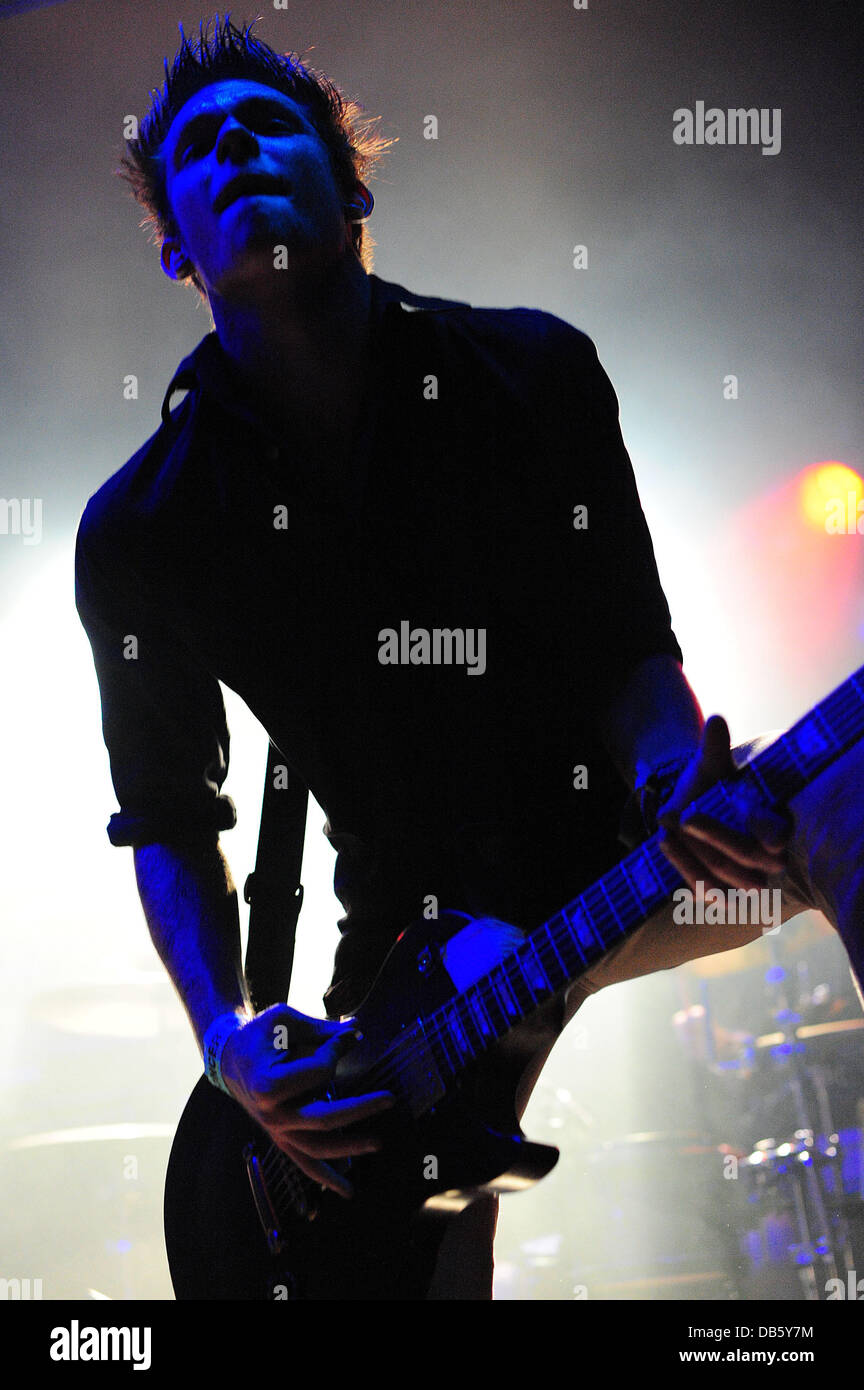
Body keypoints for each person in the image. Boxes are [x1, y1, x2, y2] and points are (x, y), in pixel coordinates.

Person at [76, 17, 847, 1299]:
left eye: (270, 123)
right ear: (174, 249)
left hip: (631, 855)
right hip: (410, 950)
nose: (235, 146)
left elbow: (628, 652)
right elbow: (167, 818)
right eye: (200, 146)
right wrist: (223, 1040)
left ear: (354, 182)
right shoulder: (143, 527)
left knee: (840, 796)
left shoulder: (531, 372)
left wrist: (674, 779)